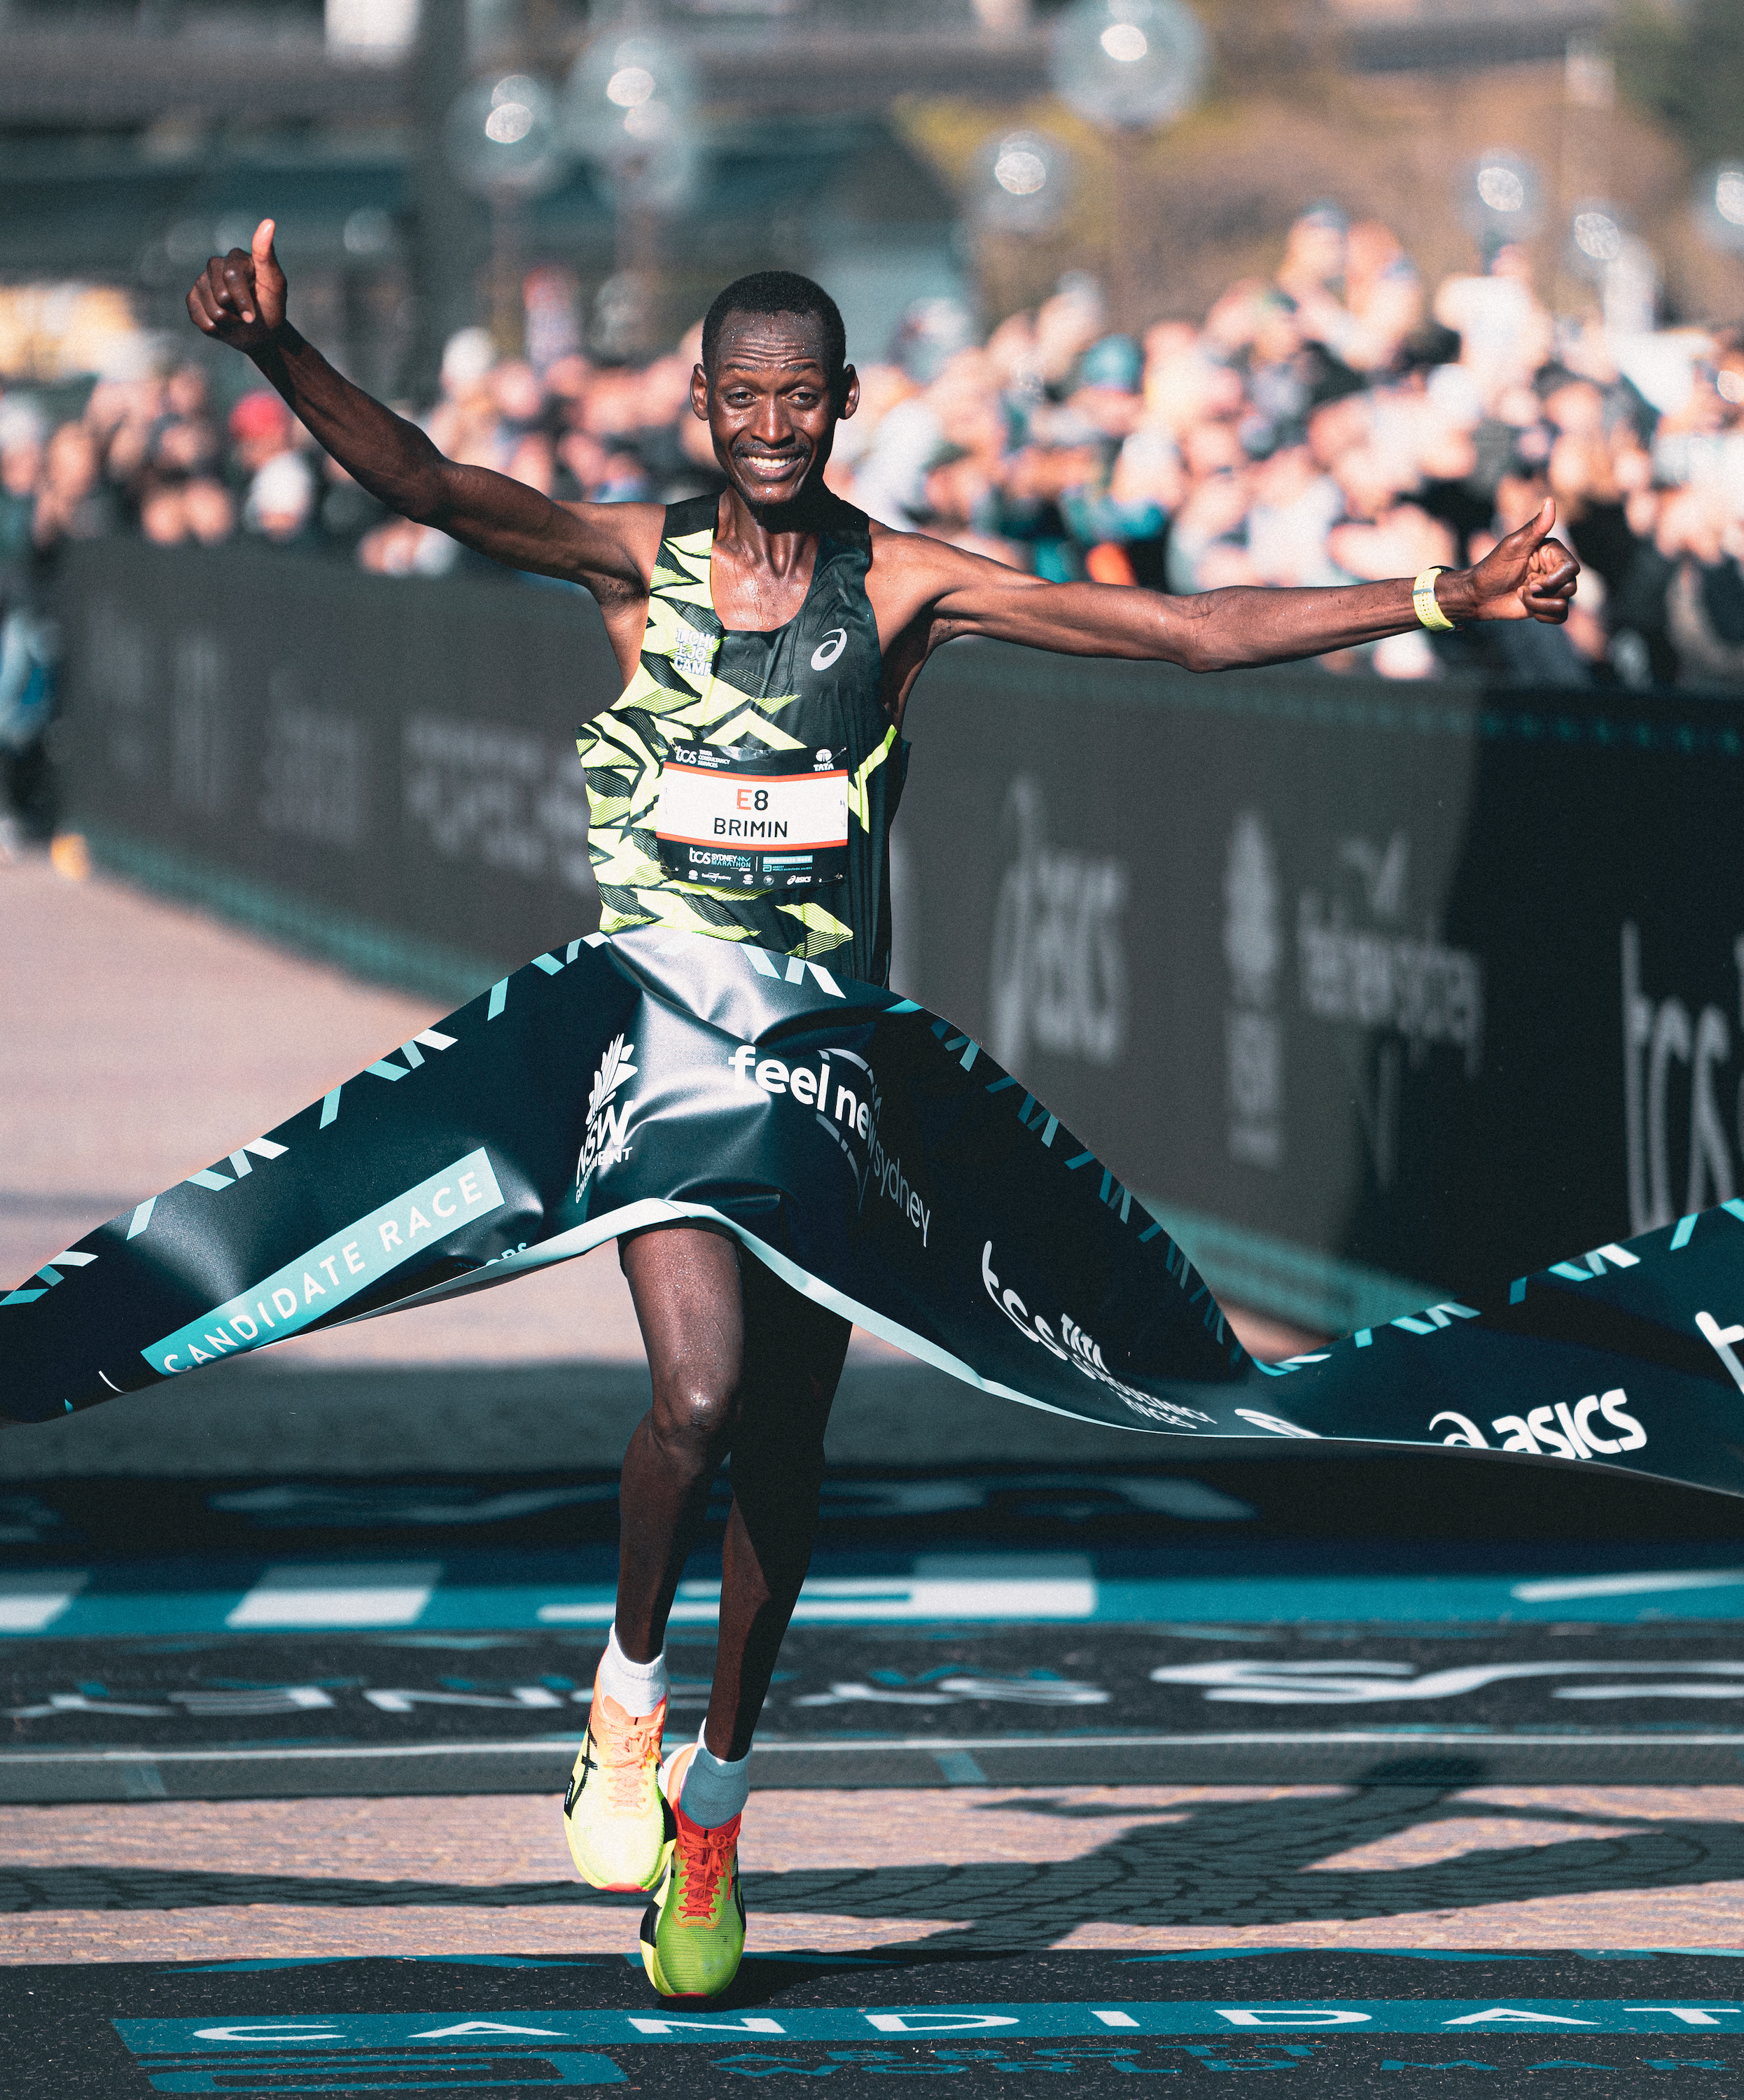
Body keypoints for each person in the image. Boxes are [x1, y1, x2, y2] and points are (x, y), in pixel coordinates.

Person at [186, 220, 1578, 2001]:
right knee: (695, 1398)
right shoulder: (633, 563)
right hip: (663, 1050)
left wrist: (1441, 596)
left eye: (800, 399)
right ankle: (623, 1698)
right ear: (700, 404)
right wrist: (279, 353)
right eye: (741, 398)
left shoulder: (905, 588)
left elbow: (1181, 632)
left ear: (843, 403)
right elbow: (432, 483)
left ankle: (715, 1814)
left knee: (782, 1455)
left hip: (828, 1071)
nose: (770, 427)